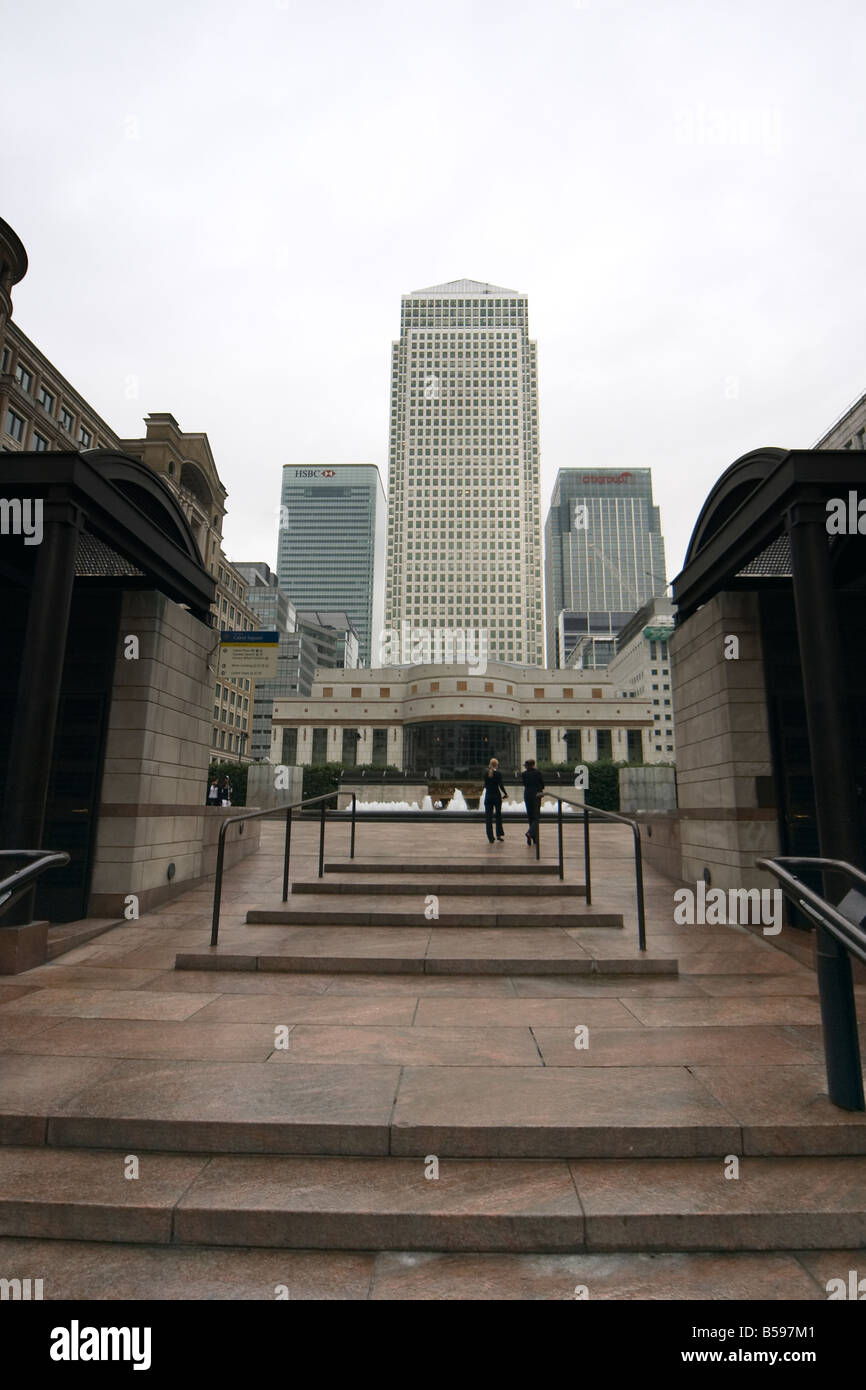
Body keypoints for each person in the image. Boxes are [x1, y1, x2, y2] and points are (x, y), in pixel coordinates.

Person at [483, 757, 507, 844]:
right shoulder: (498, 774)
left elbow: (485, 785)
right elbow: (500, 785)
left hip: (488, 796)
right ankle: (499, 835)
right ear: (496, 765)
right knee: (498, 816)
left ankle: (490, 837)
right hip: (496, 796)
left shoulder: (486, 774)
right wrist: (505, 793)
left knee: (488, 818)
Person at [521, 759, 545, 846]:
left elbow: (524, 784)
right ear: (534, 765)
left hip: (527, 795)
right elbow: (542, 784)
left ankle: (533, 839)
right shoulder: (538, 773)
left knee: (530, 816)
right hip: (536, 795)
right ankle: (530, 833)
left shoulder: (524, 774)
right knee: (536, 817)